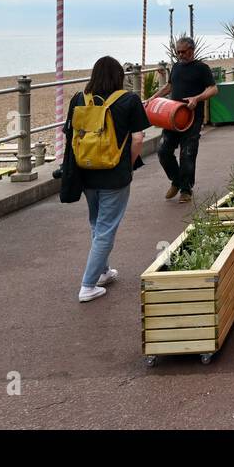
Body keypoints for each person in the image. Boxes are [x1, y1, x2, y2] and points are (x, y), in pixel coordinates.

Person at [63, 56, 148, 303]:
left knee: (97, 223)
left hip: (86, 171)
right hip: (114, 175)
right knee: (106, 229)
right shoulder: (129, 100)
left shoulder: (79, 99)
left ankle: (103, 272)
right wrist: (128, 166)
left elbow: (70, 135)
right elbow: (139, 138)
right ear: (119, 76)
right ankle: (87, 286)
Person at [153, 37, 218, 202]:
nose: (180, 55)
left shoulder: (202, 68)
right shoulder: (175, 67)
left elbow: (213, 89)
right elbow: (169, 86)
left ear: (192, 50)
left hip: (192, 118)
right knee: (163, 151)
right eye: (178, 52)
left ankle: (186, 190)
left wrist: (196, 98)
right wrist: (152, 98)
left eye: (183, 52)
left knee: (187, 154)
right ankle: (176, 180)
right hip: (172, 117)